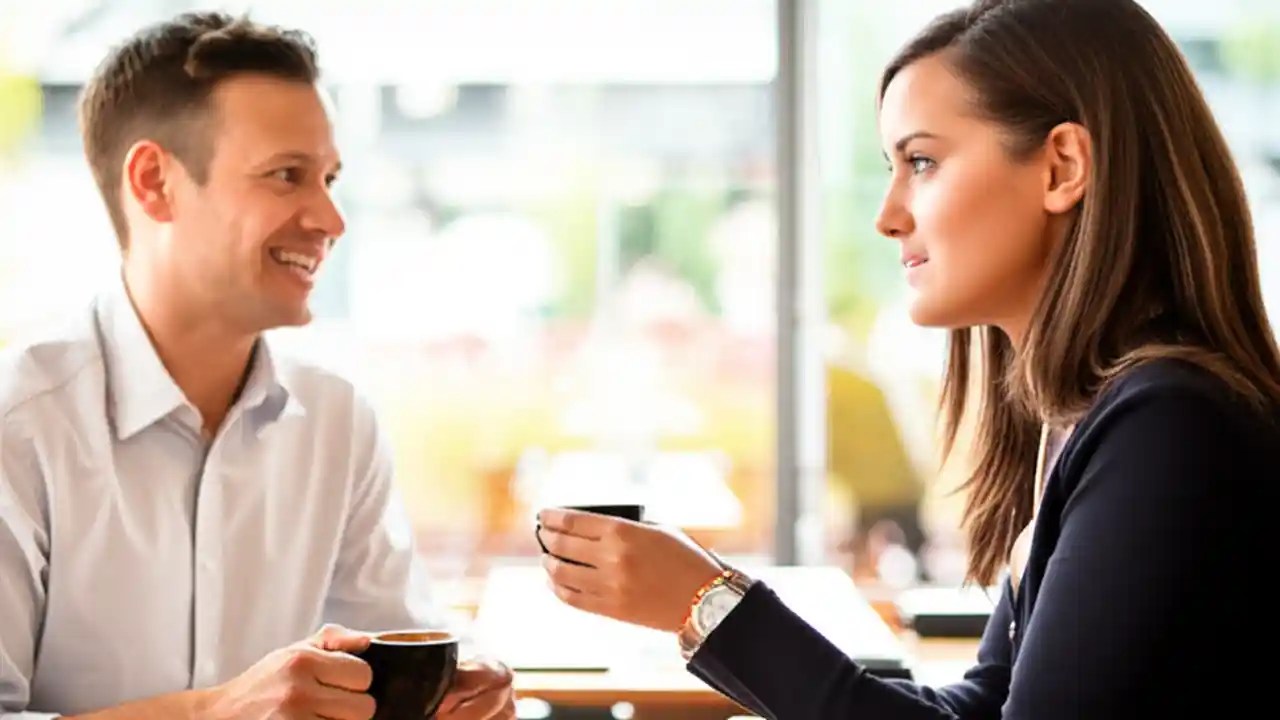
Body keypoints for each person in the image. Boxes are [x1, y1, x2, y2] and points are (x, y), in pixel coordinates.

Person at [537, 0, 1280, 717]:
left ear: (1061, 167)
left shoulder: (1169, 429)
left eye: (921, 161)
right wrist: (701, 604)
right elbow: (977, 710)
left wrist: (709, 603)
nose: (888, 214)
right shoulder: (1092, 420)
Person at [0, 13, 514, 720]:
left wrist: (447, 701)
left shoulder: (338, 423)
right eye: (286, 176)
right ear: (155, 182)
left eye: (329, 178)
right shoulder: (18, 427)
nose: (331, 218)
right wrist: (214, 713)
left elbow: (387, 673)